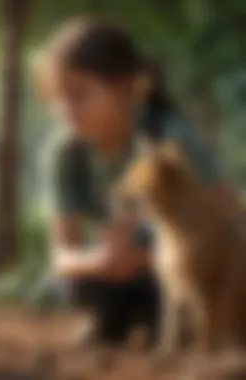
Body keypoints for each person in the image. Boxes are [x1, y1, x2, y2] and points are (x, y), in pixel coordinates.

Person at [33, 17, 238, 347]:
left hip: (184, 268)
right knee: (70, 282)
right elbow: (61, 255)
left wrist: (152, 256)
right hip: (115, 270)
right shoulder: (64, 152)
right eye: (58, 99)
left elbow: (230, 221)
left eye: (80, 95)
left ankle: (183, 325)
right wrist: (101, 259)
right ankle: (115, 320)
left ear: (125, 88)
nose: (67, 111)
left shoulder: (169, 140)